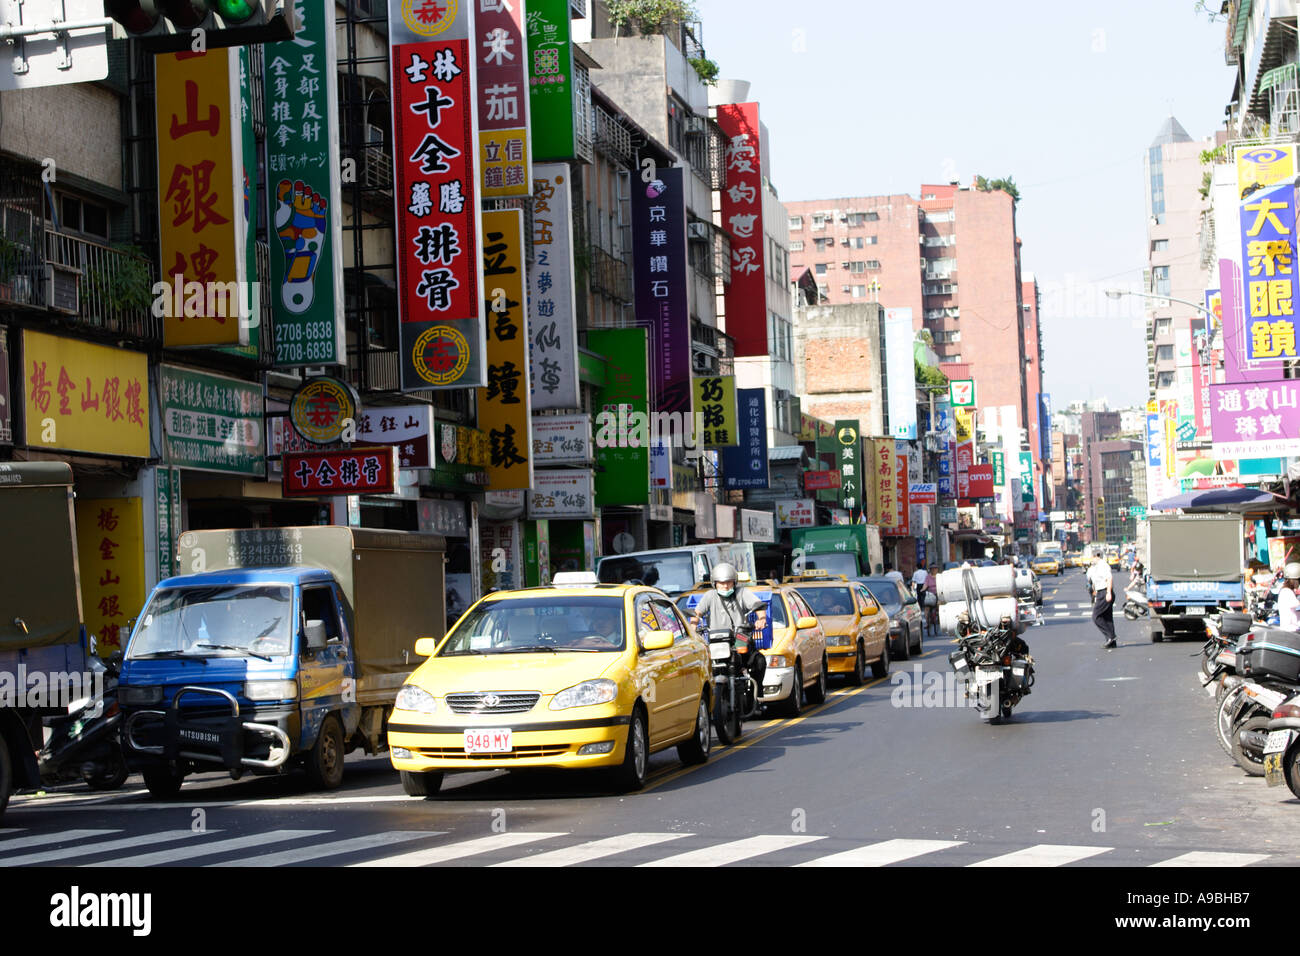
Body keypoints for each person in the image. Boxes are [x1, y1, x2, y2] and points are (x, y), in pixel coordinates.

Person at [1087, 554, 1117, 649]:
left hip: (1105, 592)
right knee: (1107, 617)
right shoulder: (1094, 567)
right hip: (1100, 592)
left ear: (1097, 556)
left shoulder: (1103, 565)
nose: (1091, 559)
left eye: (1092, 557)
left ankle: (1111, 636)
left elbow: (1109, 578)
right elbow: (1092, 582)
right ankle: (1112, 642)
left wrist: (1108, 593)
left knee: (1096, 616)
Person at [1276, 563, 1300, 631]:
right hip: (1291, 629)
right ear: (1293, 580)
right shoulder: (1286, 592)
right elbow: (1297, 604)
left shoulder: (1287, 591)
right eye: (1299, 580)